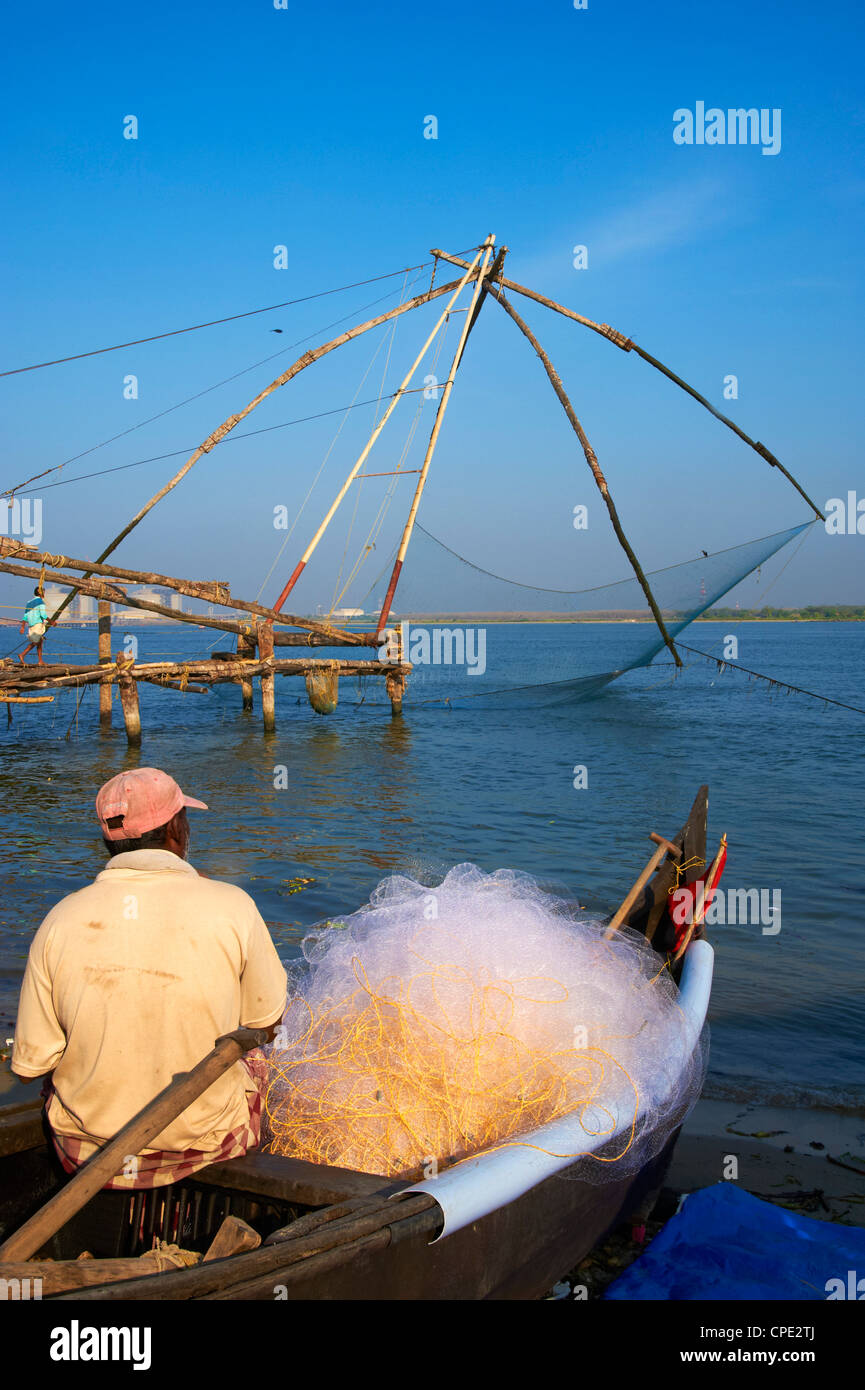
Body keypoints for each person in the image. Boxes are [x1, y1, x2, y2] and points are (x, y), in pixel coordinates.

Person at [11, 768, 287, 1190]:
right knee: (258, 1056)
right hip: (203, 1146)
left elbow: (32, 1065)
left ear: (109, 839)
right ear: (177, 830)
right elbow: (265, 1021)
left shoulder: (61, 918)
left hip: (86, 1155)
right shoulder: (233, 906)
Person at [18, 586, 49, 665]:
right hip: (37, 625)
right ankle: (22, 654)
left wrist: (22, 627)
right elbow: (43, 615)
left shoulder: (29, 602)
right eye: (44, 592)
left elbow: (25, 616)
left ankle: (40, 661)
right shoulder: (41, 602)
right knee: (35, 642)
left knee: (40, 642)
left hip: (31, 625)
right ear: (40, 593)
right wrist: (52, 622)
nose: (44, 594)